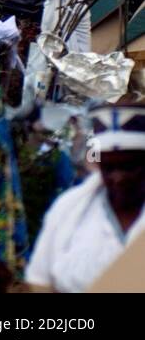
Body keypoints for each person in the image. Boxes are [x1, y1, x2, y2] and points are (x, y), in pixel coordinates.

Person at [27, 103, 145, 292]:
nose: (118, 178)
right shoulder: (68, 210)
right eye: (109, 168)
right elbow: (40, 282)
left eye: (129, 167)